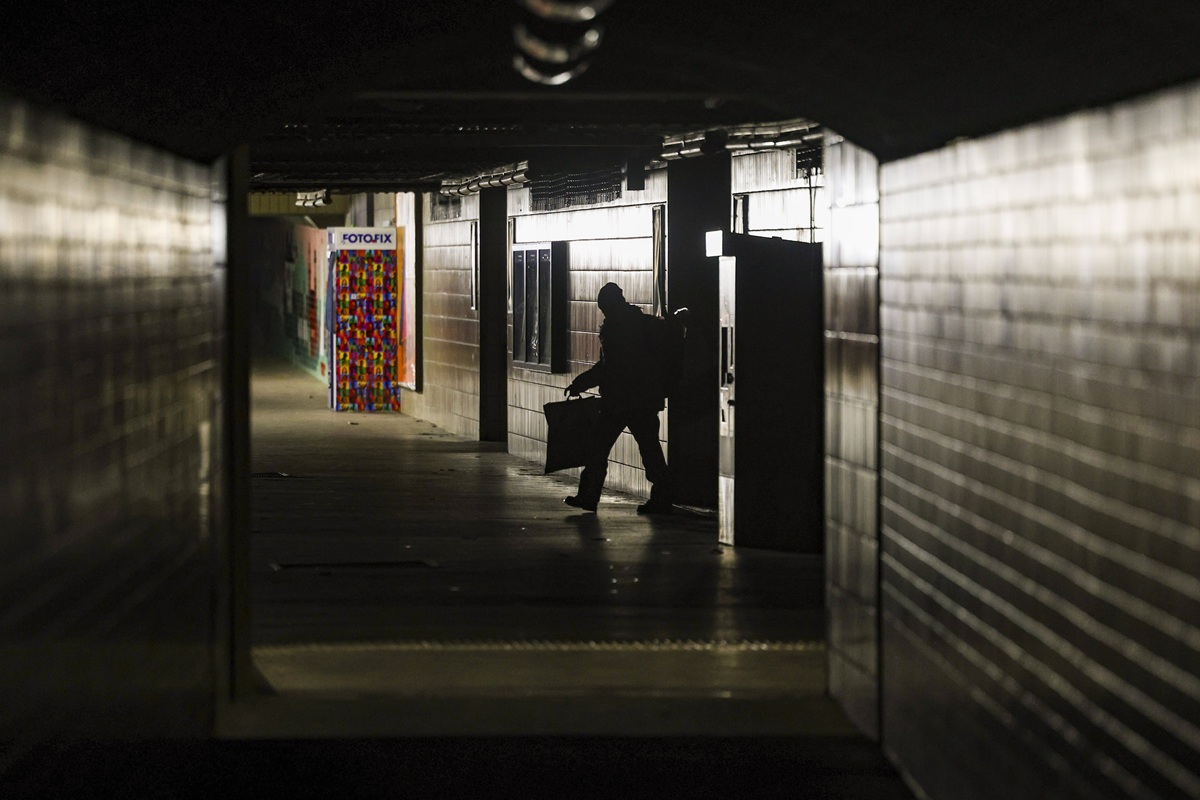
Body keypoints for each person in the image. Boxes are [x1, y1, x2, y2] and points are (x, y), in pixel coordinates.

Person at [564, 282, 685, 515]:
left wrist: (582, 383)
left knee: (598, 448)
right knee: (649, 449)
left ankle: (589, 495)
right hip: (643, 399)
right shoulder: (638, 322)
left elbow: (610, 367)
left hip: (620, 401)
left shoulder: (619, 328)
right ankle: (663, 496)